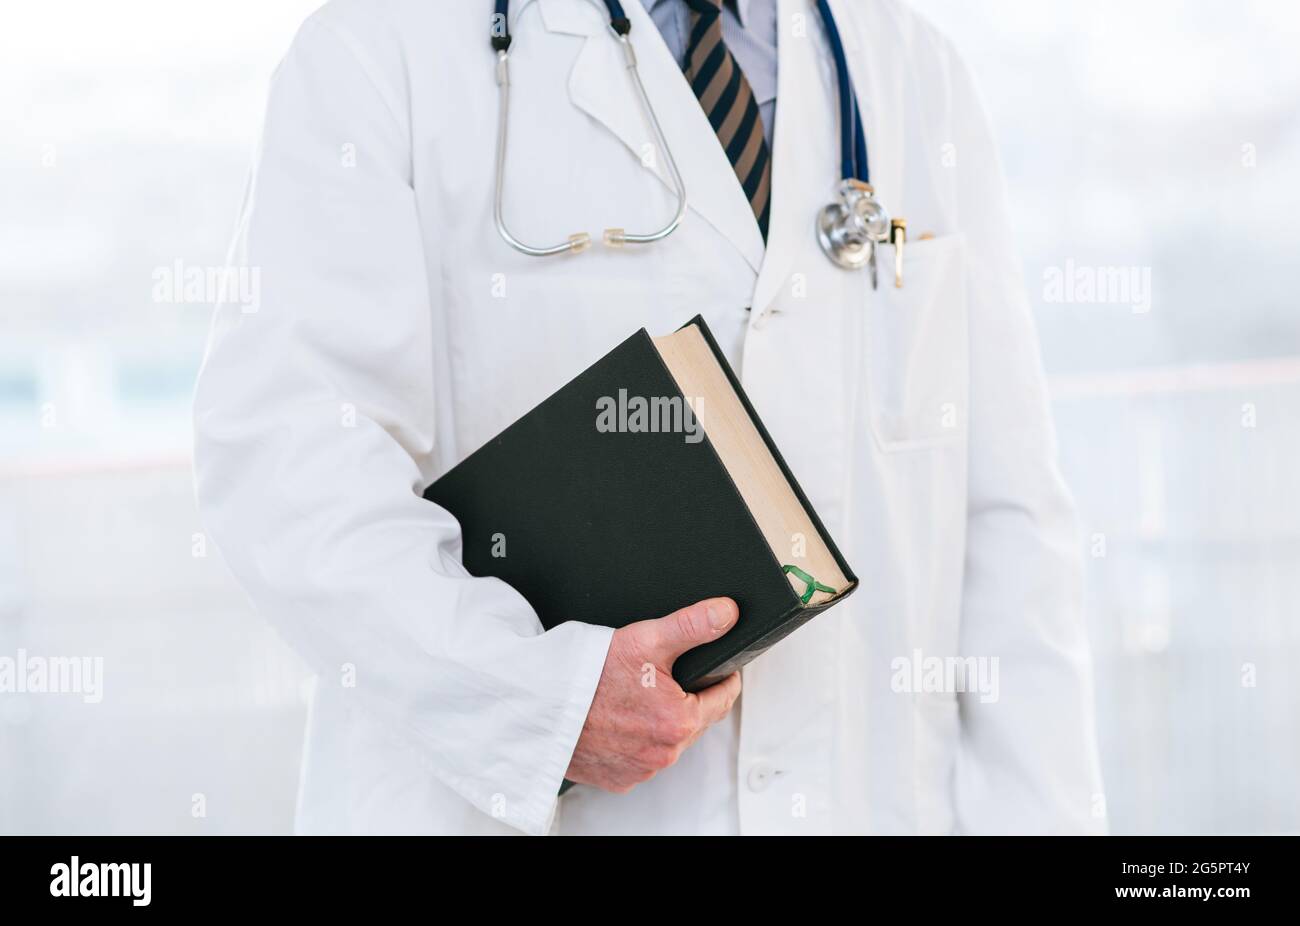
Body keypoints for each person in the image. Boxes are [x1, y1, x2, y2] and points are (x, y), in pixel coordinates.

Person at [193, 0, 1106, 835]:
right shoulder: (376, 50)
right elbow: (290, 466)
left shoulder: (912, 71)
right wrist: (536, 702)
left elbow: (1010, 528)